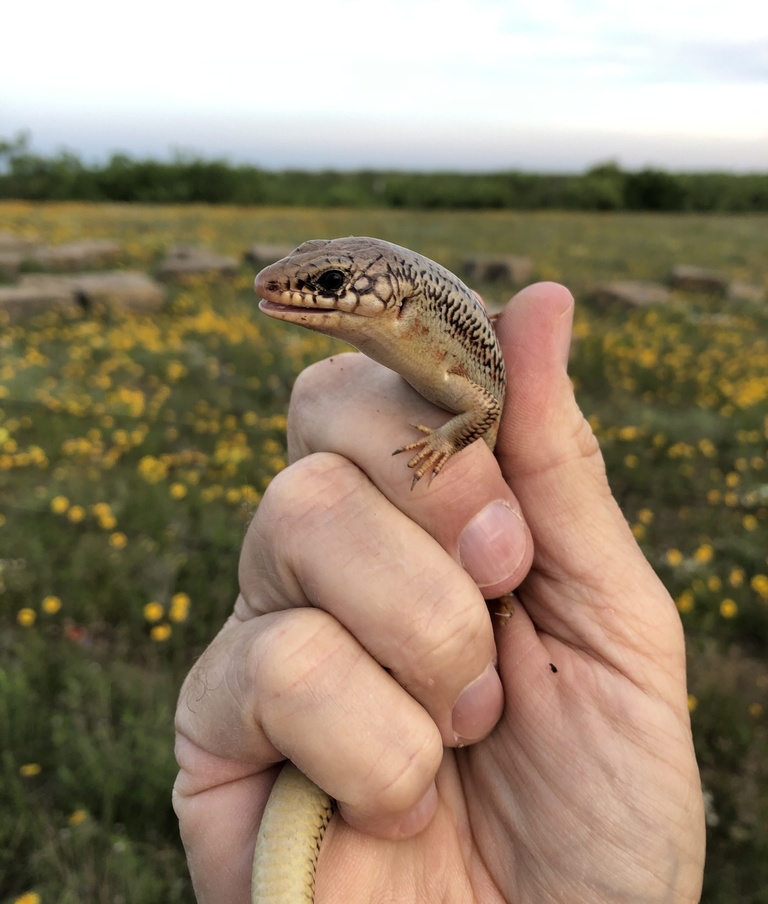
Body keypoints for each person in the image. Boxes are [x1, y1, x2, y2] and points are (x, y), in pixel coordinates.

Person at [173, 282, 706, 903]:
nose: (284, 286)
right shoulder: (417, 351)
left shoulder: (454, 366)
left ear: (396, 306)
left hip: (505, 622)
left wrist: (442, 443)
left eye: (330, 286)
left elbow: (480, 411)